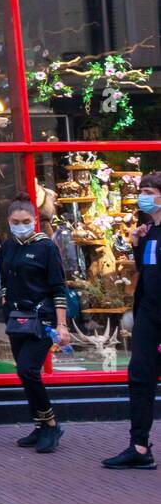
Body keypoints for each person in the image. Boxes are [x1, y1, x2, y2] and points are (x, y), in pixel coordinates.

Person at [0, 194, 70, 453]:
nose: (21, 225)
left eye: (26, 220)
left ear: (35, 220)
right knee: (24, 372)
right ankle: (40, 425)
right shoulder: (8, 246)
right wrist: (5, 302)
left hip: (43, 320)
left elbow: (58, 287)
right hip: (17, 320)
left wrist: (62, 326)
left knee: (28, 370)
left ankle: (51, 423)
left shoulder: (46, 248)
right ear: (9, 220)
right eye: (16, 221)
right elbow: (4, 279)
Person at [104, 172, 161, 469]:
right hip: (149, 315)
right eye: (142, 190)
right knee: (139, 377)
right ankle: (139, 447)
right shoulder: (149, 231)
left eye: (149, 190)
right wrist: (137, 245)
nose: (144, 196)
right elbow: (148, 270)